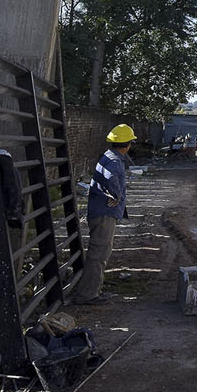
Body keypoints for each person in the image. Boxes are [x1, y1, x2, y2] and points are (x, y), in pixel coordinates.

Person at [74, 124, 133, 305]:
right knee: (99, 254)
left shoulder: (108, 155)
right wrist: (115, 195)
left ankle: (93, 290)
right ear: (128, 144)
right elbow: (110, 178)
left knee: (100, 252)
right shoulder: (115, 161)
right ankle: (88, 294)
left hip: (99, 211)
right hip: (104, 213)